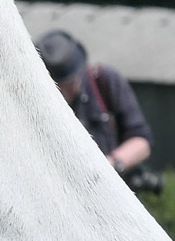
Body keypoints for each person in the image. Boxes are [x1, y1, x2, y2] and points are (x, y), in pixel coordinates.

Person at [35, 29, 158, 188]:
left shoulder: (105, 81)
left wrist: (108, 166)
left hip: (114, 192)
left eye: (73, 79)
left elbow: (142, 142)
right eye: (61, 85)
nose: (70, 88)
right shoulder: (39, 105)